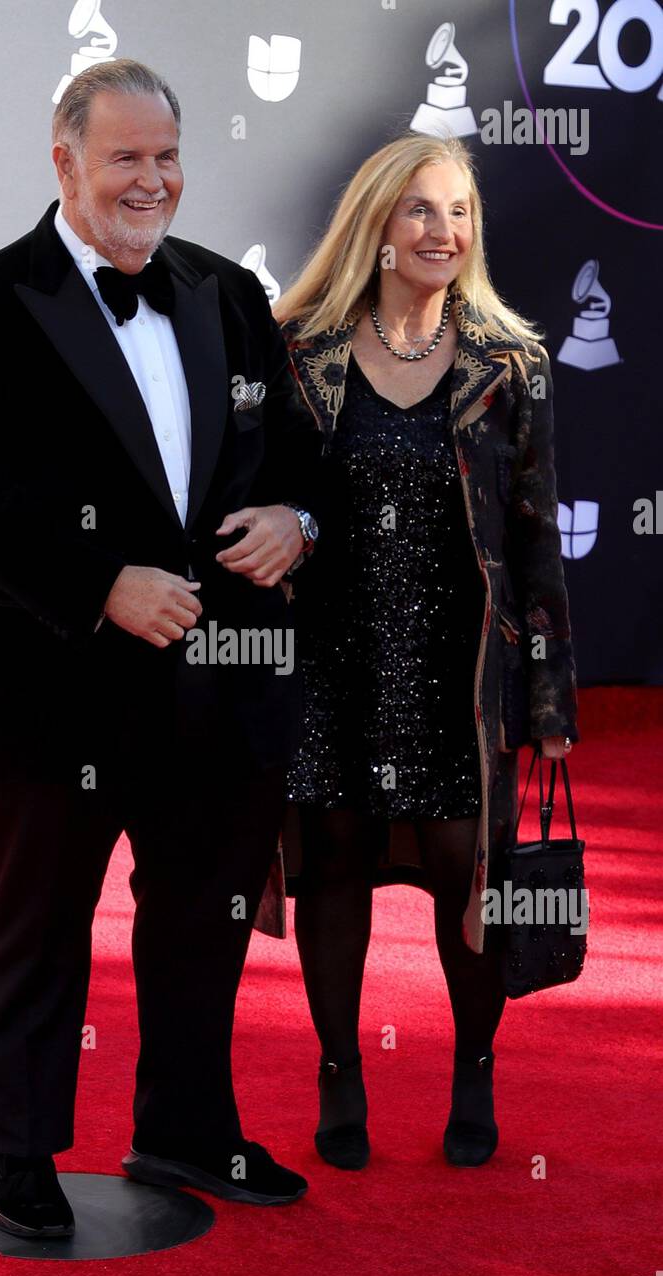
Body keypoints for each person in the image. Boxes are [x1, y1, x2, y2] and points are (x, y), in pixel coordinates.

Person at [0, 58, 323, 1238]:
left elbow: (291, 446)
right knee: (39, 927)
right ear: (65, 162)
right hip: (51, 686)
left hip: (219, 688)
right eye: (126, 158)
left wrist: (300, 519)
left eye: (167, 158)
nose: (153, 181)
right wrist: (98, 585)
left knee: (205, 915)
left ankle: (184, 1126)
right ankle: (20, 1154)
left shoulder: (227, 295)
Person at [271, 133, 579, 1171]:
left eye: (457, 213)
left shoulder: (512, 363)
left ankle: (473, 1065)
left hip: (460, 668)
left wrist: (547, 705)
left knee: (466, 869)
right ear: (374, 223)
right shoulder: (299, 353)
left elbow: (534, 536)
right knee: (335, 864)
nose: (441, 231)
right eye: (417, 210)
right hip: (333, 660)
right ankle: (336, 1067)